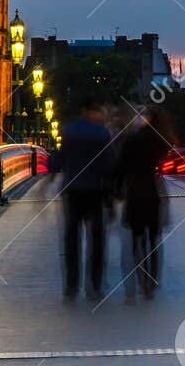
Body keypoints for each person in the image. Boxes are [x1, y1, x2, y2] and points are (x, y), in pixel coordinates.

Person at [56, 101, 113, 299]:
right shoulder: (102, 133)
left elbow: (59, 159)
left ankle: (72, 285)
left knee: (72, 238)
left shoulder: (69, 130)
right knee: (96, 239)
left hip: (73, 189)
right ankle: (95, 285)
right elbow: (108, 164)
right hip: (95, 190)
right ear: (92, 111)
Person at [116, 105, 175, 299]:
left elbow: (121, 168)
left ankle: (141, 279)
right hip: (152, 193)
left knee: (137, 239)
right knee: (153, 240)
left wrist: (116, 191)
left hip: (134, 193)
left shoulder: (130, 140)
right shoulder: (157, 140)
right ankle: (151, 281)